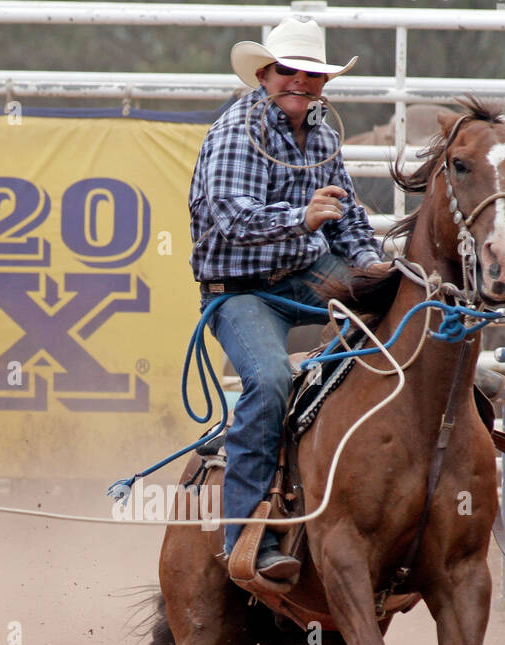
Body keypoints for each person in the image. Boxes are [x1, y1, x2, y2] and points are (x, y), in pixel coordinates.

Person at [190, 14, 388, 584]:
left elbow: (345, 213)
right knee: (270, 379)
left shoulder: (323, 133)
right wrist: (301, 219)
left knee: (395, 299)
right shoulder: (235, 130)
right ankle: (247, 532)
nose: (300, 82)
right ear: (265, 73)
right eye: (288, 71)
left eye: (312, 74)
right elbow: (229, 218)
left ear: (324, 83)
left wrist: (369, 263)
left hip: (304, 274)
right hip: (241, 291)